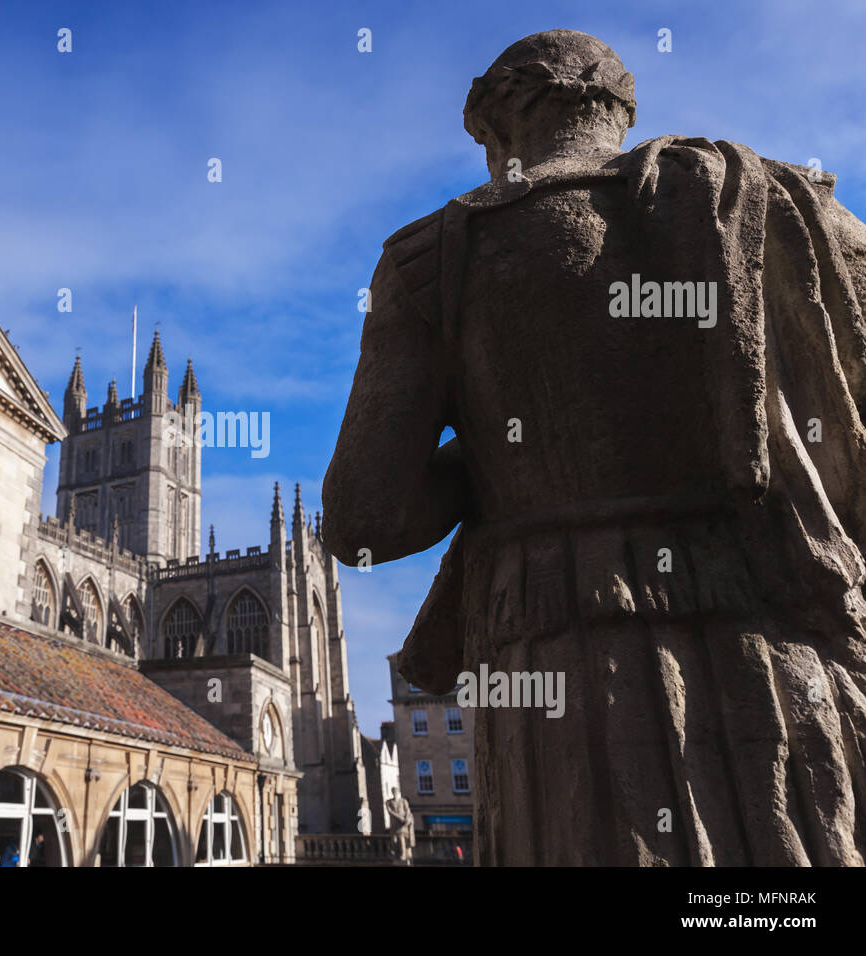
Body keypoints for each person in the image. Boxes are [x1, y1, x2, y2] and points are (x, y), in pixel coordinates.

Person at [324, 29, 866, 865]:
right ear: (617, 106)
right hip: (786, 635)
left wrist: (502, 459)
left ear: (500, 121)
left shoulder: (431, 258)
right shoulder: (791, 211)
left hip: (562, 644)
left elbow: (363, 521)